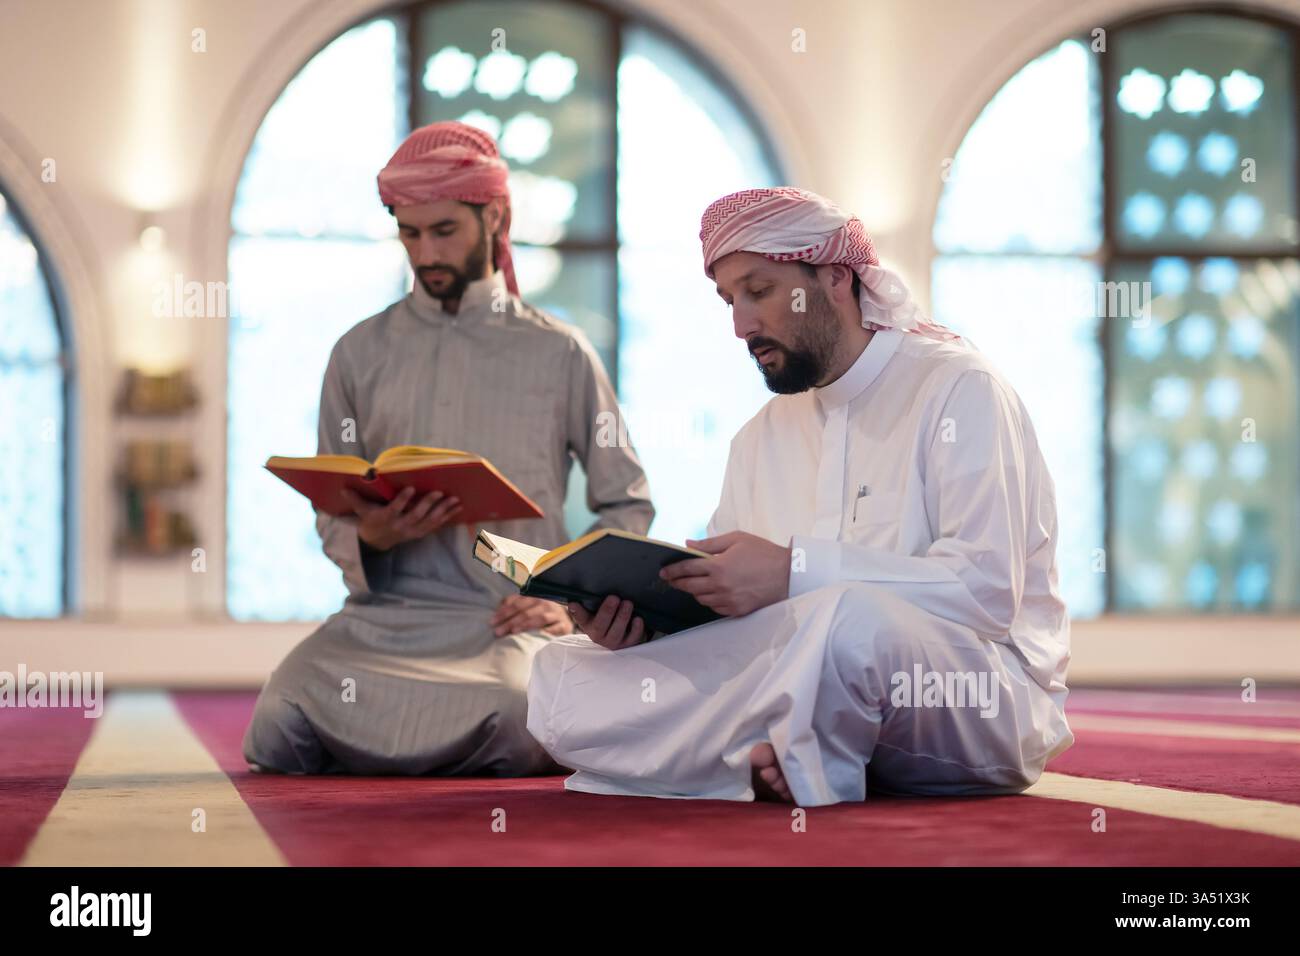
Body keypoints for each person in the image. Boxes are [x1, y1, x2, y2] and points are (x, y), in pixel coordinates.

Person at [525, 187, 1073, 806]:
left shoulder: (958, 388)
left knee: (847, 625)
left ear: (836, 276)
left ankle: (770, 755)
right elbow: (735, 621)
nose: (740, 325)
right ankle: (786, 750)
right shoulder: (758, 438)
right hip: (801, 676)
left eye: (759, 292)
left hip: (970, 693)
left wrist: (794, 573)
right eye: (729, 301)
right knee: (562, 673)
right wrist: (645, 629)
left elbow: (985, 593)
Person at [243, 121, 653, 775]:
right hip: (378, 622)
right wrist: (371, 536)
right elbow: (331, 512)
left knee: (518, 719)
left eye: (443, 231)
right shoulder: (357, 352)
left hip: (501, 624)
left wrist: (568, 603)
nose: (425, 253)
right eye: (409, 233)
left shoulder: (560, 352)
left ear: (494, 216)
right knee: (279, 722)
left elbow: (626, 504)